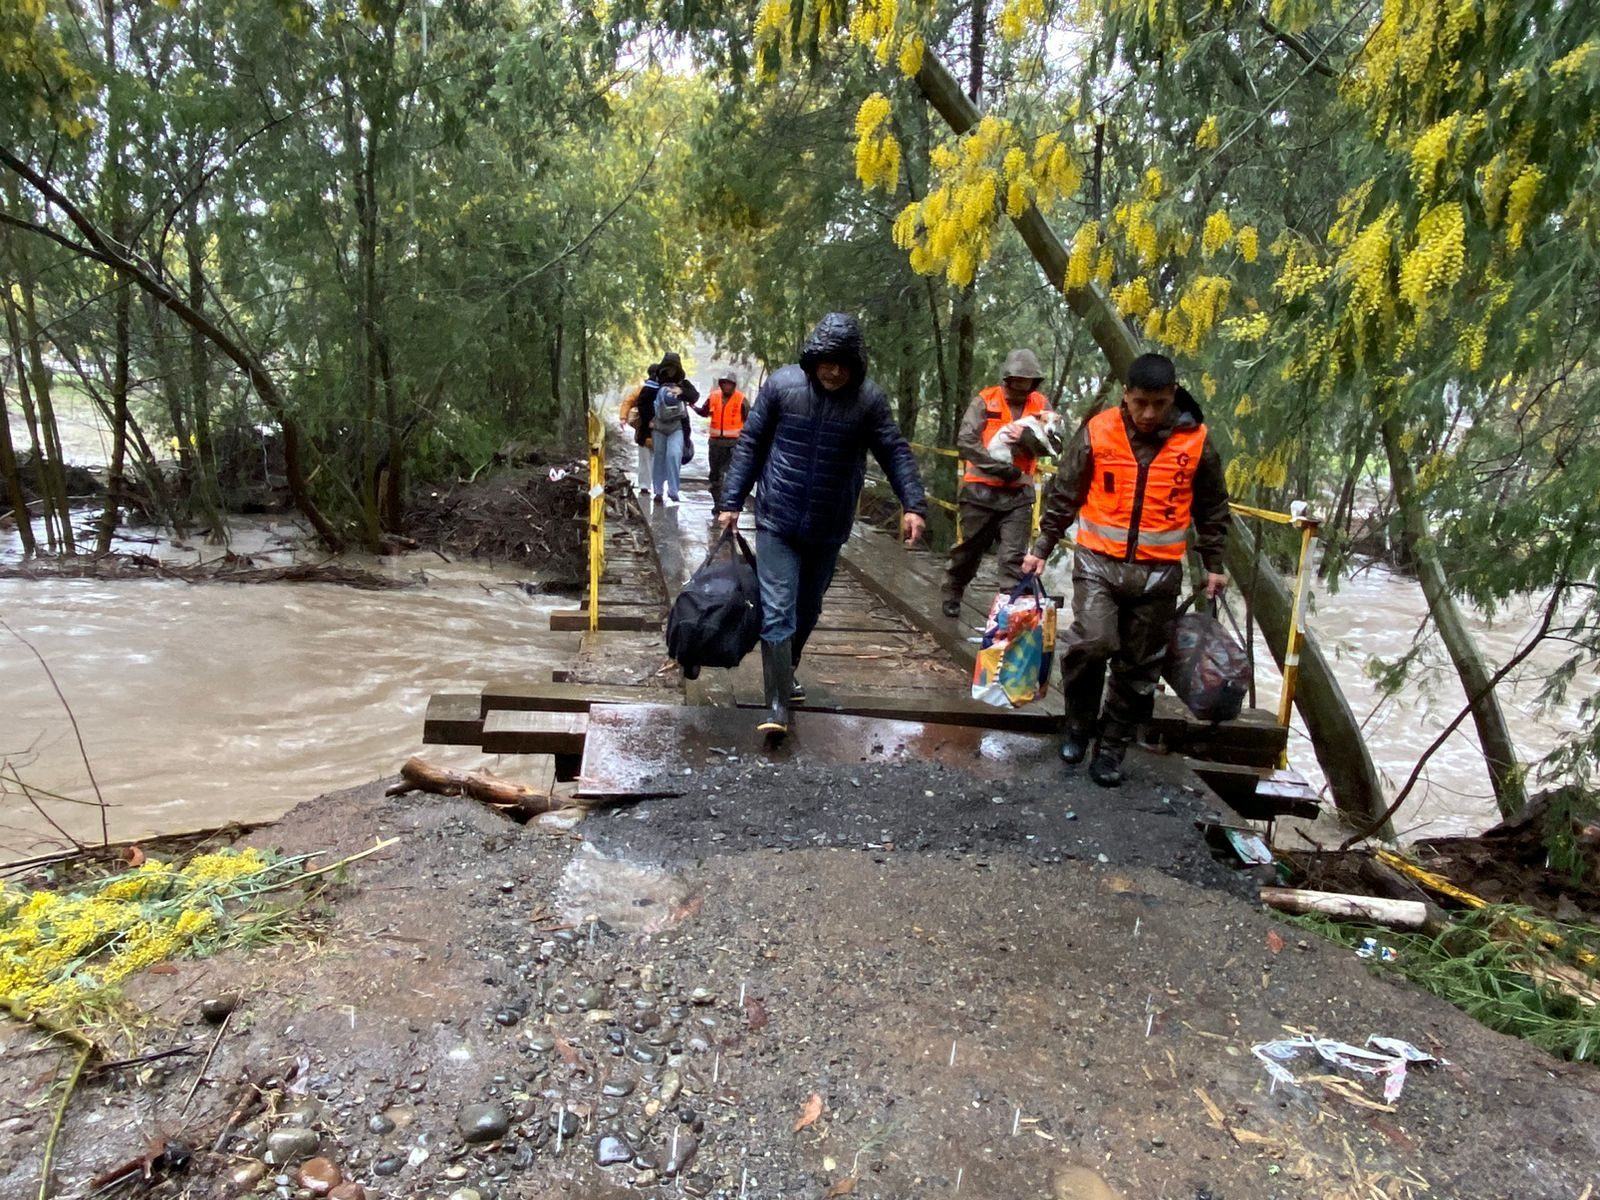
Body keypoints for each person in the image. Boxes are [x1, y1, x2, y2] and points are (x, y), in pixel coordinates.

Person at [1020, 352, 1231, 788]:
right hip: (1099, 562)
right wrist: (1042, 545)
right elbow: (1065, 492)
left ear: (1173, 395)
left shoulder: (1196, 441)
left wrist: (1214, 564)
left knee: (1139, 667)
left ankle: (1112, 744)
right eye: (1140, 403)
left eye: (1158, 403)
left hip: (1159, 573)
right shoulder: (1099, 431)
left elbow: (1212, 506)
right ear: (1126, 397)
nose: (1149, 413)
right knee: (1094, 641)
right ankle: (1078, 724)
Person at [716, 313, 927, 738]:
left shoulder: (868, 401)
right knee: (777, 608)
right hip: (777, 516)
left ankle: (785, 672)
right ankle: (776, 704)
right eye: (826, 361)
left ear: (855, 365)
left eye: (842, 363)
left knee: (807, 607)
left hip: (829, 525)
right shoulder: (781, 386)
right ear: (812, 360)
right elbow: (752, 444)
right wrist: (731, 502)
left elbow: (894, 450)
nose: (833, 371)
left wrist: (914, 504)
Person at [940, 348, 1054, 618]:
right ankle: (952, 591)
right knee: (968, 551)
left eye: (1026, 381)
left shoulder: (1041, 405)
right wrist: (1004, 470)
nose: (1020, 386)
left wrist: (1026, 439)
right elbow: (967, 443)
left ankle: (1010, 614)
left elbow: (1053, 445)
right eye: (1016, 380)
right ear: (1007, 379)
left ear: (1034, 382)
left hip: (1018, 497)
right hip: (979, 492)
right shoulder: (984, 401)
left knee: (1013, 558)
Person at [641, 352, 699, 508]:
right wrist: (648, 421)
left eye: (674, 367)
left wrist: (682, 392)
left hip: (677, 426)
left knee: (674, 455)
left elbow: (695, 396)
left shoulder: (683, 384)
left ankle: (673, 490)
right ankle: (658, 491)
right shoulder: (655, 383)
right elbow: (643, 401)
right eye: (668, 367)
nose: (671, 371)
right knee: (659, 458)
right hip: (659, 426)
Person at [695, 370, 749, 503]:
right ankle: (717, 500)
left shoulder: (741, 399)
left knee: (728, 474)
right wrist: (691, 405)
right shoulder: (713, 397)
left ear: (734, 385)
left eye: (729, 384)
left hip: (733, 444)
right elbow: (704, 412)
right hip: (715, 443)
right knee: (715, 474)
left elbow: (750, 419)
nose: (726, 386)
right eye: (724, 384)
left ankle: (725, 503)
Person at [619, 363, 659, 494]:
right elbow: (629, 401)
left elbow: (628, 401)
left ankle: (646, 485)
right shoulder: (652, 389)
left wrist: (623, 417)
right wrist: (623, 417)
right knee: (651, 458)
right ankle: (652, 486)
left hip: (645, 429)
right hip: (654, 429)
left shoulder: (642, 389)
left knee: (645, 458)